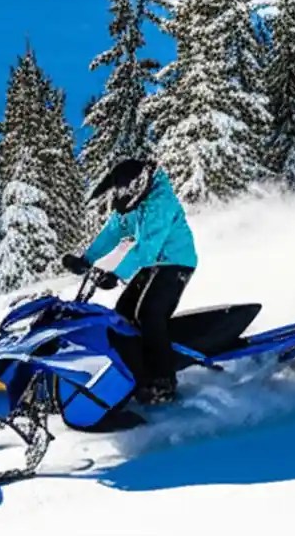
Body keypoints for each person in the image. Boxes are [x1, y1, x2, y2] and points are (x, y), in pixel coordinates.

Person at [64, 158, 198, 405]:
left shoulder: (160, 202)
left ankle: (163, 382)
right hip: (152, 264)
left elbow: (147, 248)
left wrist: (117, 274)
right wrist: (87, 259)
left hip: (176, 263)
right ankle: (135, 373)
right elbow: (113, 232)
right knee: (123, 314)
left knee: (150, 314)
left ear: (139, 185)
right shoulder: (130, 200)